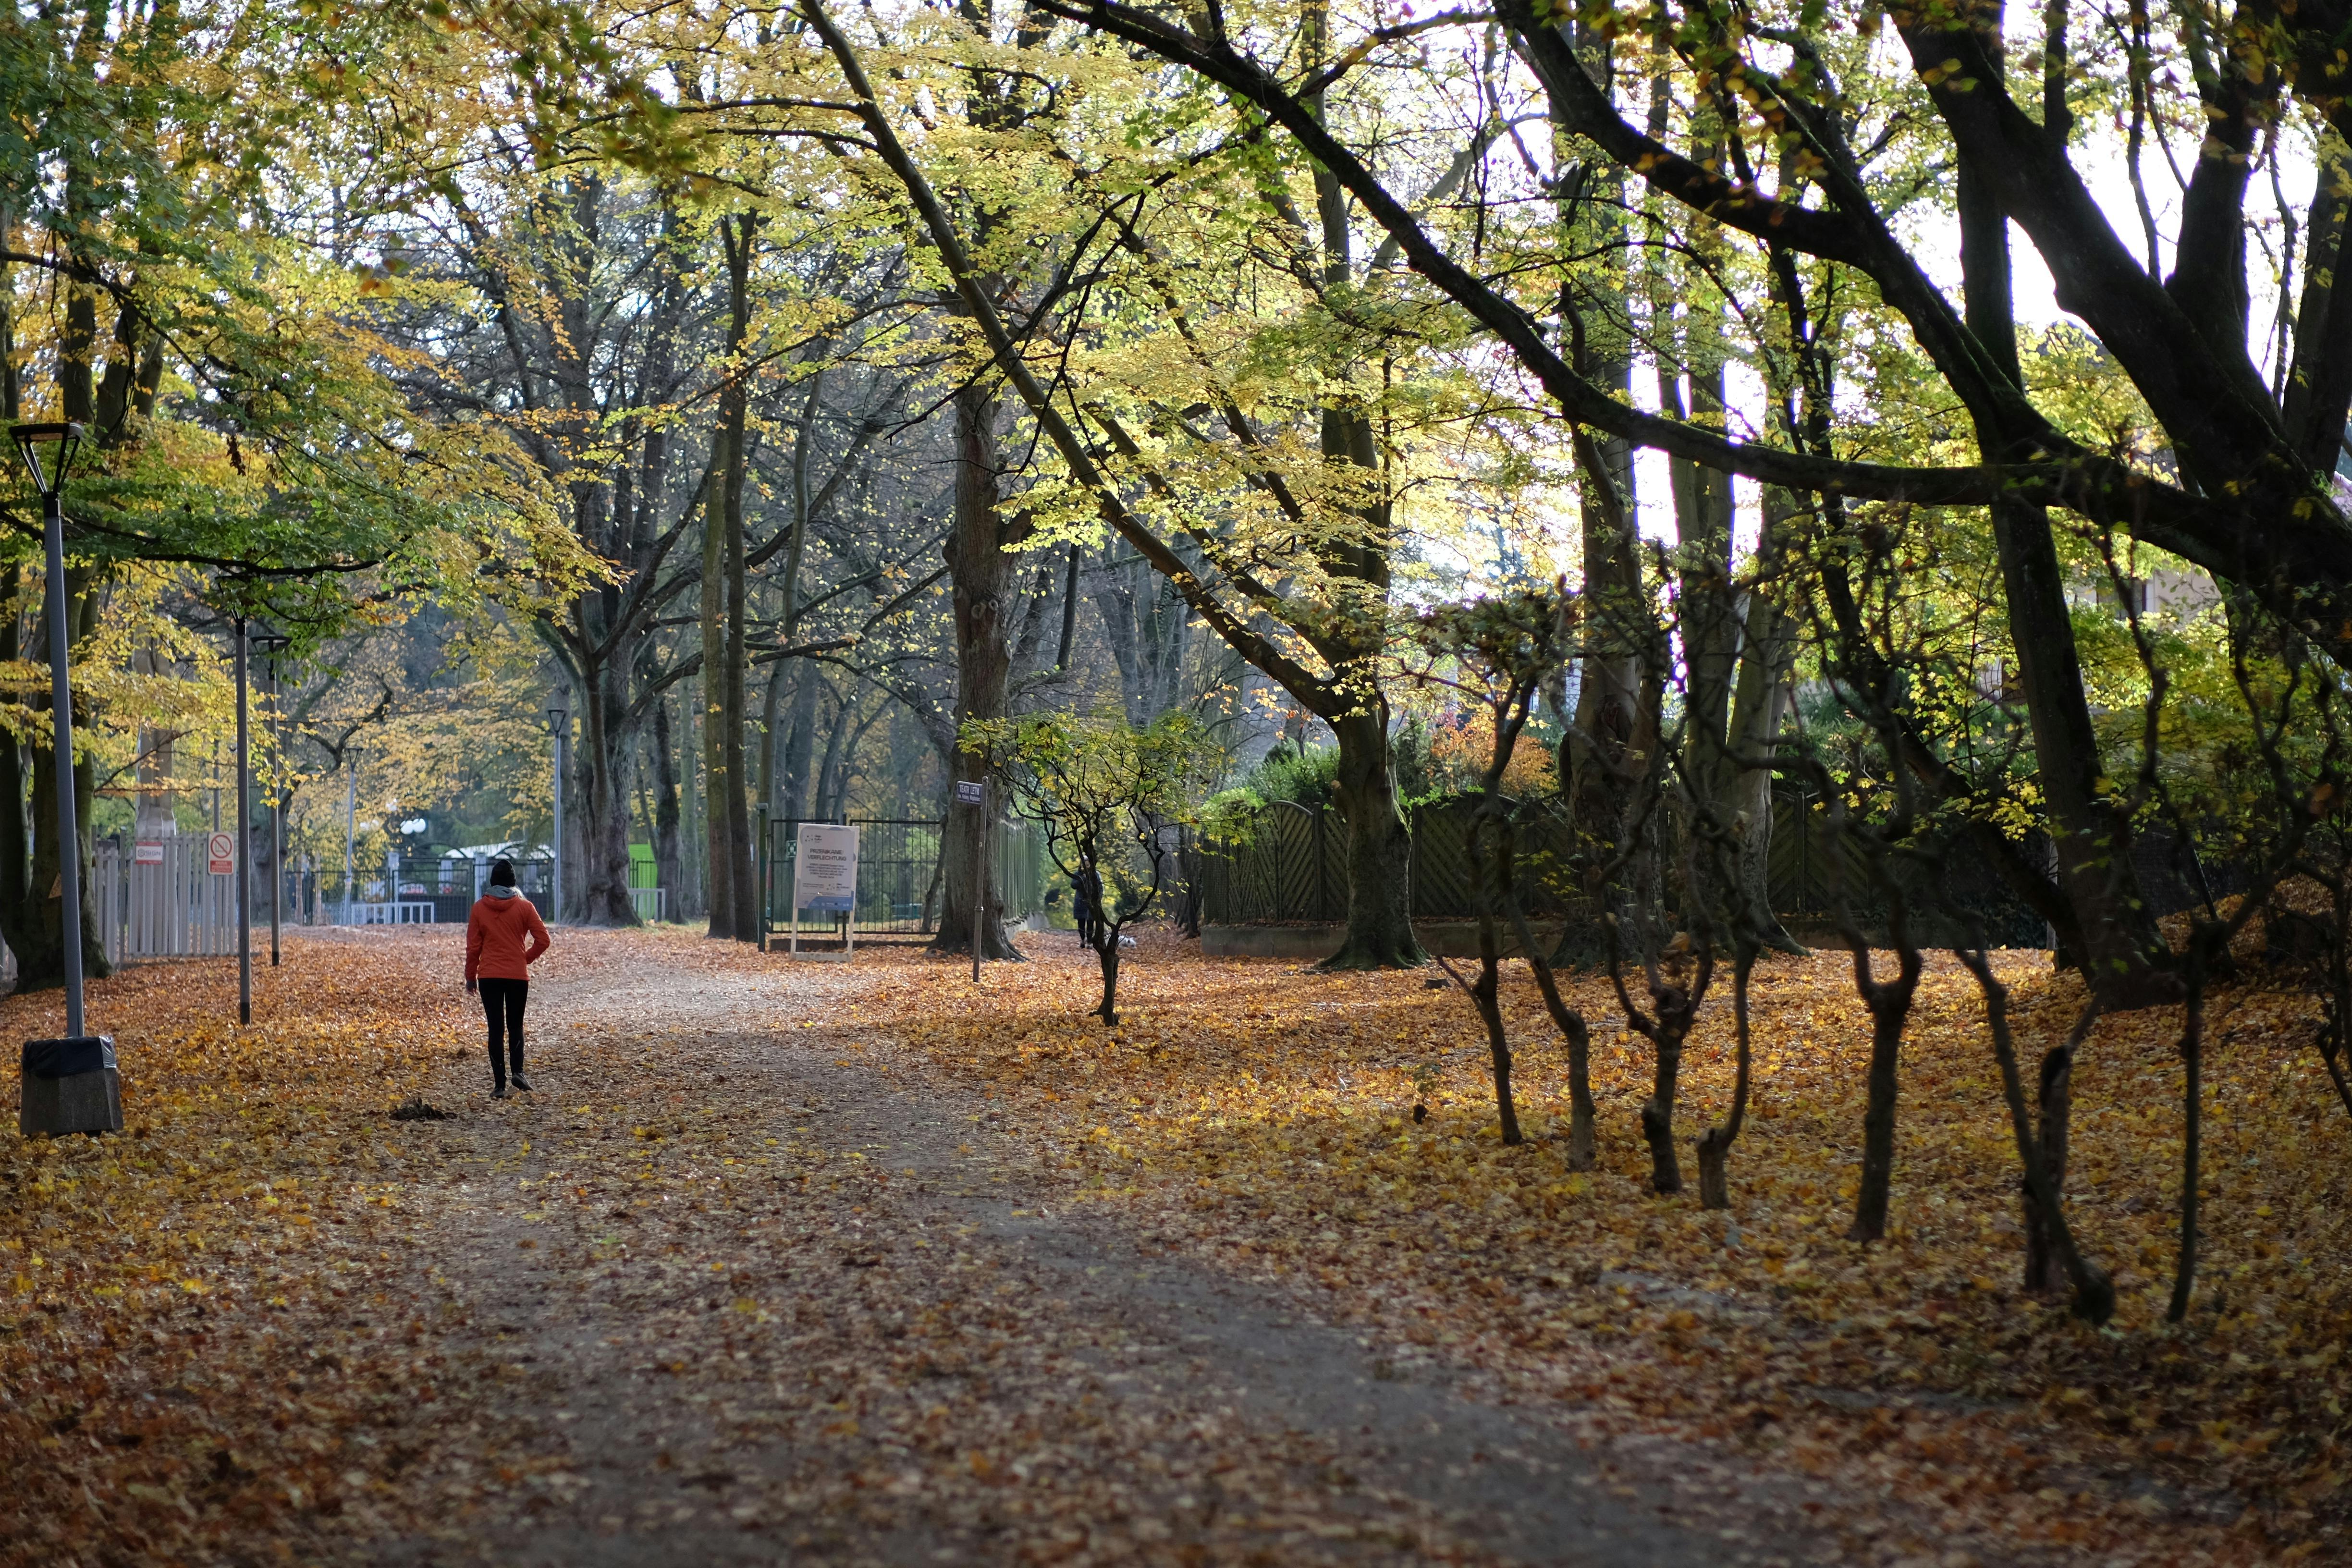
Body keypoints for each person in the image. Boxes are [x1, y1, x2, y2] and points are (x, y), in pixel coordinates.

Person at [465, 858, 550, 1098]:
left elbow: (473, 949)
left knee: (495, 1028)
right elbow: (544, 939)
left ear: (492, 882)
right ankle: (519, 1072)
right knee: (515, 1025)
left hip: (489, 976)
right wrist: (525, 958)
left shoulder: (479, 909)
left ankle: (499, 1085)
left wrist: (471, 977)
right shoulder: (525, 907)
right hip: (517, 976)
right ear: (513, 882)